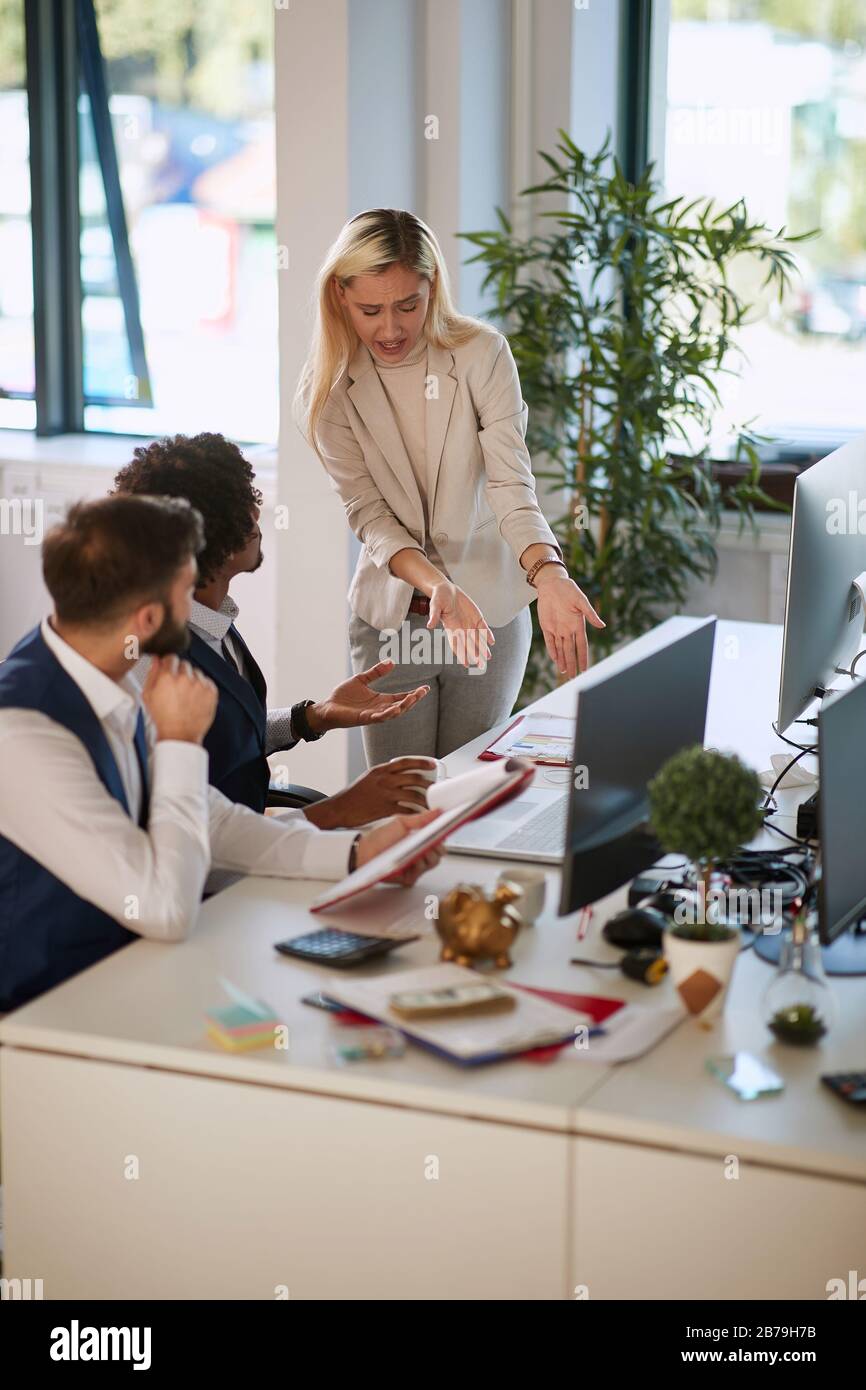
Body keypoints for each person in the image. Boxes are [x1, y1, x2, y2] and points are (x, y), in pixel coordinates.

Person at [0, 496, 441, 1013]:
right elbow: (164, 907)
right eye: (187, 590)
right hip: (49, 1008)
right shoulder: (24, 731)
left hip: (135, 973)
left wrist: (359, 855)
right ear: (147, 617)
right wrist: (180, 742)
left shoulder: (106, 673)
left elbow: (213, 821)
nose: (200, 606)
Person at [296, 207, 604, 764]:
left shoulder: (483, 355)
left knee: (468, 798)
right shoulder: (330, 394)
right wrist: (438, 585)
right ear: (340, 296)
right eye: (371, 310)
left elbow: (513, 485)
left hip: (488, 618)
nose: (390, 329)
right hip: (394, 624)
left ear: (431, 287)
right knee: (402, 804)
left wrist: (549, 573)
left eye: (408, 305)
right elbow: (371, 517)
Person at [114, 433, 436, 826]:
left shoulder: (211, 624)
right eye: (243, 500)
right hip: (212, 877)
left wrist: (312, 718)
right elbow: (191, 831)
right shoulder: (153, 665)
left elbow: (222, 742)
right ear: (214, 533)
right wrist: (335, 812)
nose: (257, 511)